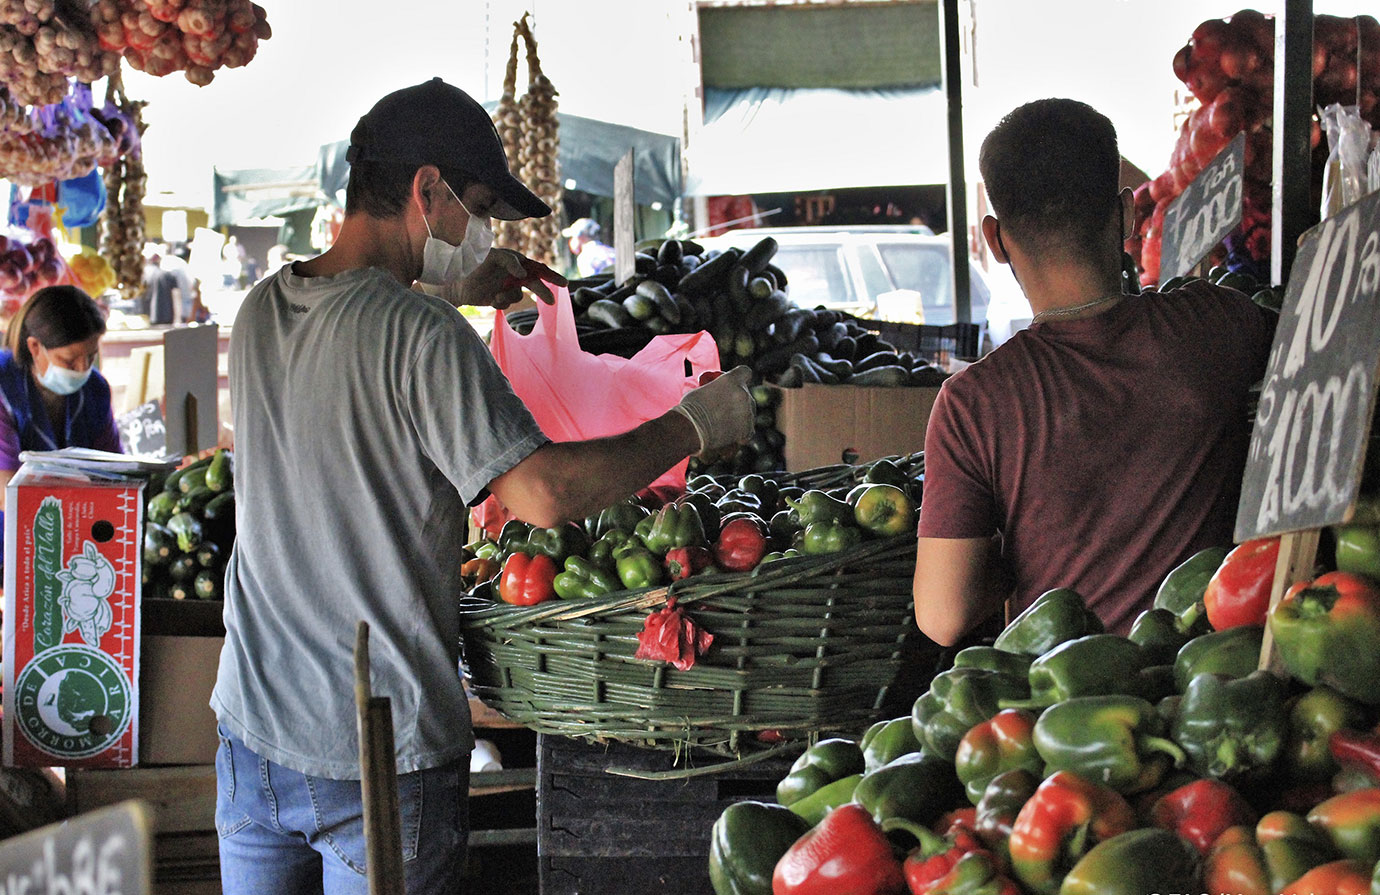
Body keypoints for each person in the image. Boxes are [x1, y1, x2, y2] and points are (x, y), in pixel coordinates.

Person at [210, 77, 754, 895]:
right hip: (375, 752)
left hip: (250, 732)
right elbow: (543, 494)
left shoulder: (260, 311)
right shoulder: (422, 336)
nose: (483, 230)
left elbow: (357, 349)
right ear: (427, 191)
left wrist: (443, 291)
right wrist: (692, 424)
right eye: (476, 205)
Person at [912, 98, 1277, 643]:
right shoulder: (1215, 322)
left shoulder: (974, 403)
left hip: (1063, 712)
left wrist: (1018, 548)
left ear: (994, 239)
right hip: (1214, 678)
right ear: (1128, 214)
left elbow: (944, 617)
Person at [0, 285, 121, 530]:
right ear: (35, 347)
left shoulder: (94, 389)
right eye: (69, 360)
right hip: (10, 537)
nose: (82, 369)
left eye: (90, 356)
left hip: (76, 531)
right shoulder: (3, 385)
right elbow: (6, 490)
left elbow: (114, 469)